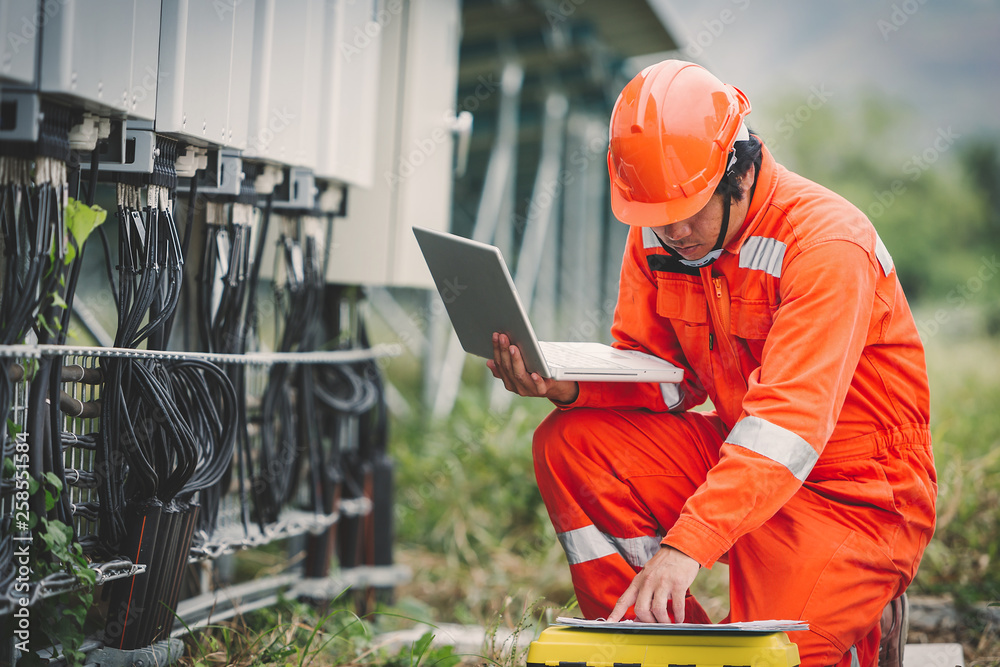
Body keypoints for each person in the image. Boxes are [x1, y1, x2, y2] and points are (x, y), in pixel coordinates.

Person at [487, 60, 937, 667]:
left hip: (855, 495)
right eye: (655, 216)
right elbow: (661, 379)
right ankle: (657, 647)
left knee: (773, 657)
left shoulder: (826, 244)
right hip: (740, 460)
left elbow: (789, 425)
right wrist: (565, 387)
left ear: (739, 169)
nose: (672, 233)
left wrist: (686, 547)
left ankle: (860, 614)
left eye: (689, 210)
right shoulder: (661, 230)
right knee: (573, 444)